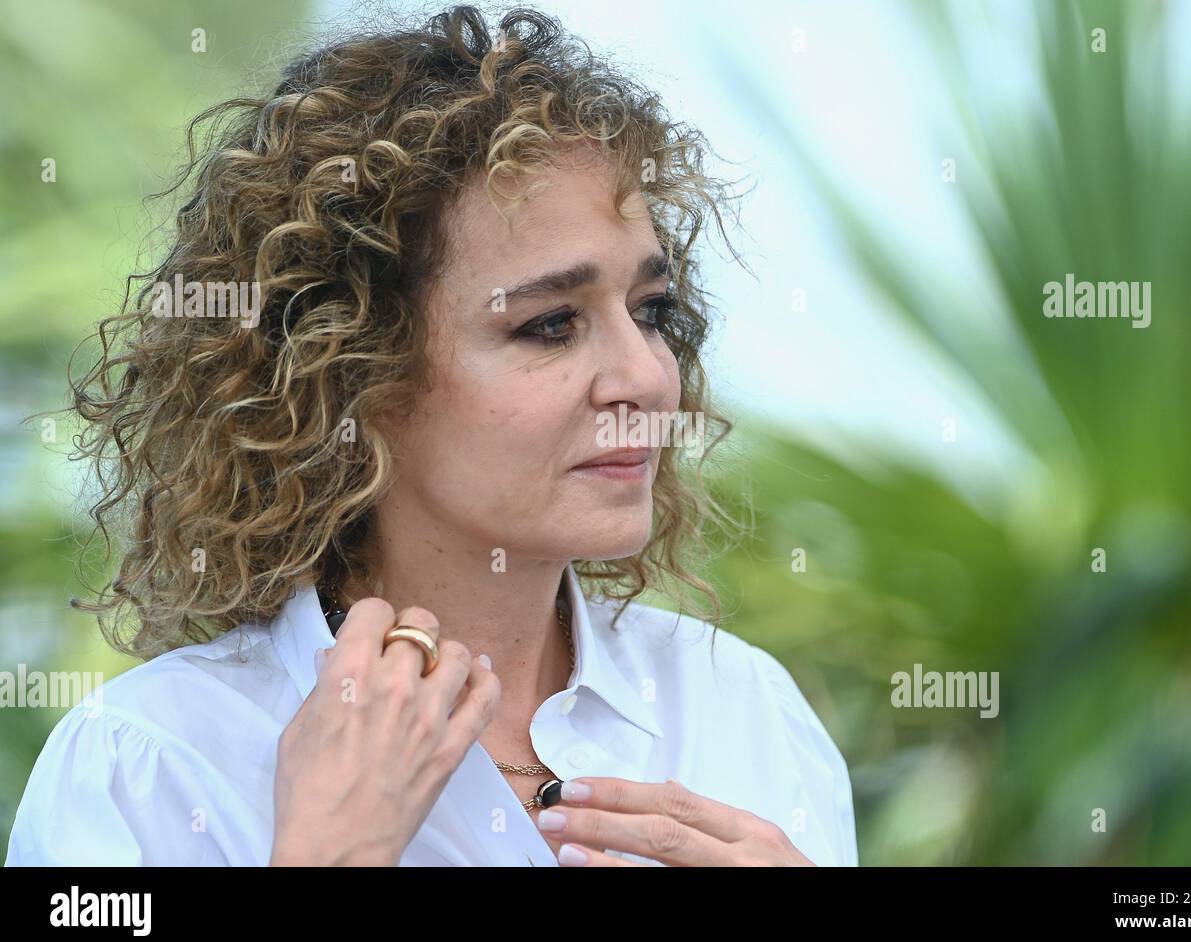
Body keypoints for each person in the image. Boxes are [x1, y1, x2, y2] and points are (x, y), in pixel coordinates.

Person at [5, 4, 857, 867]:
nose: (643, 377)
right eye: (551, 324)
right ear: (351, 372)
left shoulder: (748, 711)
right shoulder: (149, 766)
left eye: (652, 310)